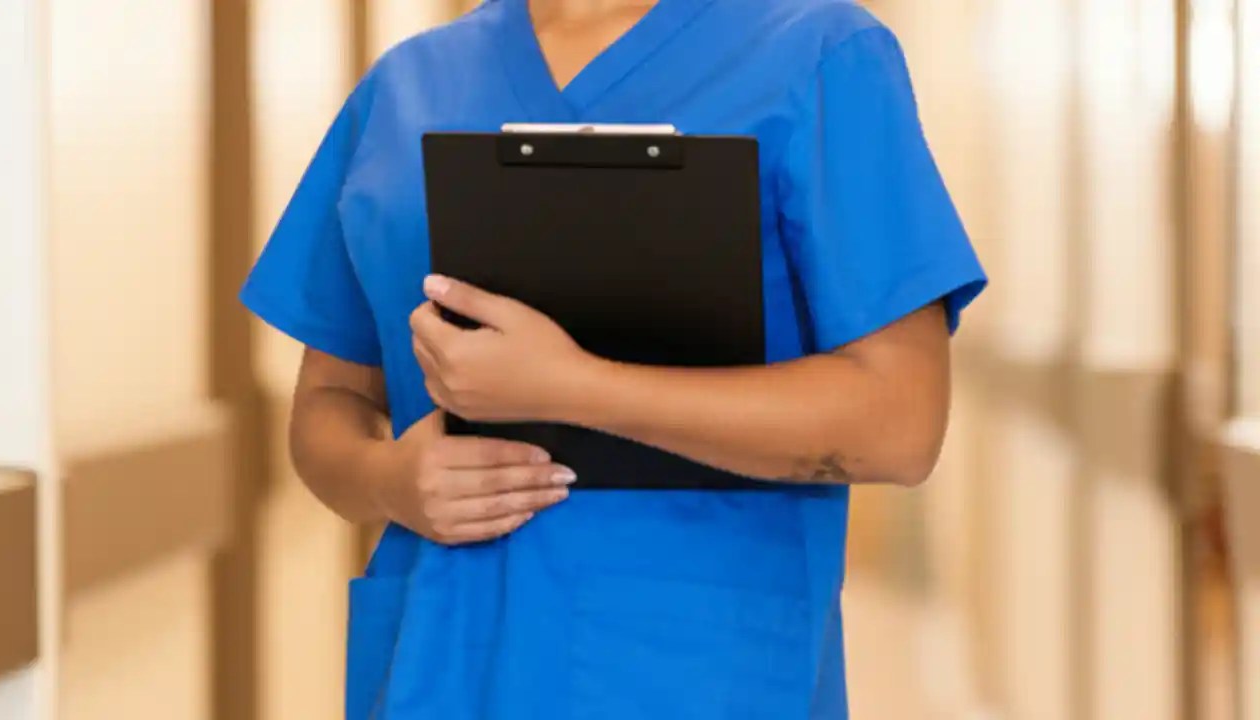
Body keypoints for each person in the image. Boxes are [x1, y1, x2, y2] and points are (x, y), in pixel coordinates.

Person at [240, 0, 986, 717]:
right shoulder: (408, 85)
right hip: (436, 666)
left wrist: (575, 388)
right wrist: (386, 480)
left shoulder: (820, 52)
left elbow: (900, 423)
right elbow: (330, 399)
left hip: (697, 670)